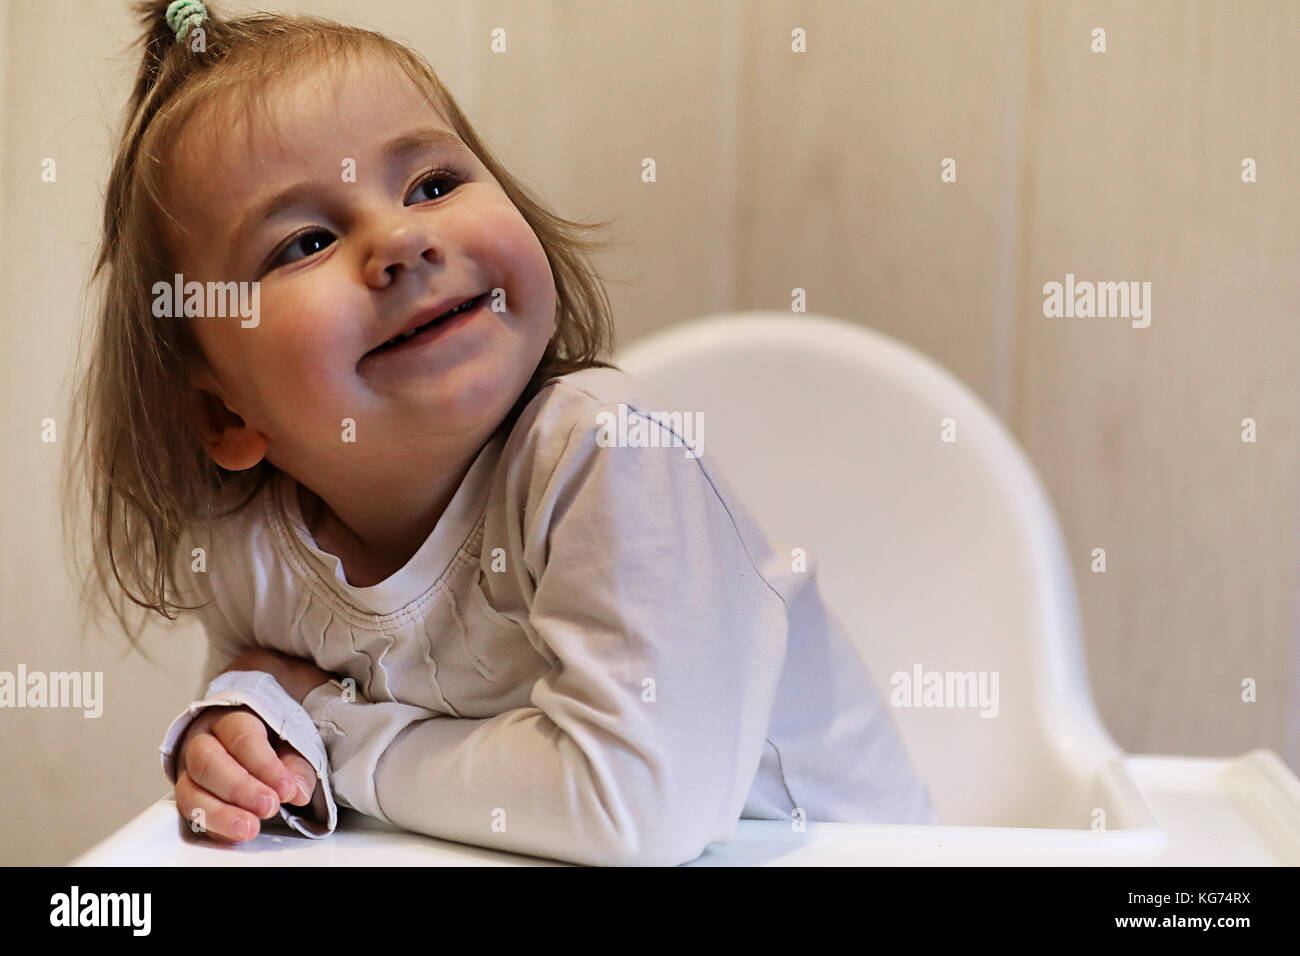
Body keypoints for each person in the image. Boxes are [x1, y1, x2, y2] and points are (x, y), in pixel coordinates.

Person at [67, 0, 937, 866]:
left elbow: (633, 806)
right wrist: (242, 738)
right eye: (305, 242)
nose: (400, 237)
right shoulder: (249, 553)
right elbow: (282, 743)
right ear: (226, 415)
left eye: (432, 185)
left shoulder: (605, 454)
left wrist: (336, 733)